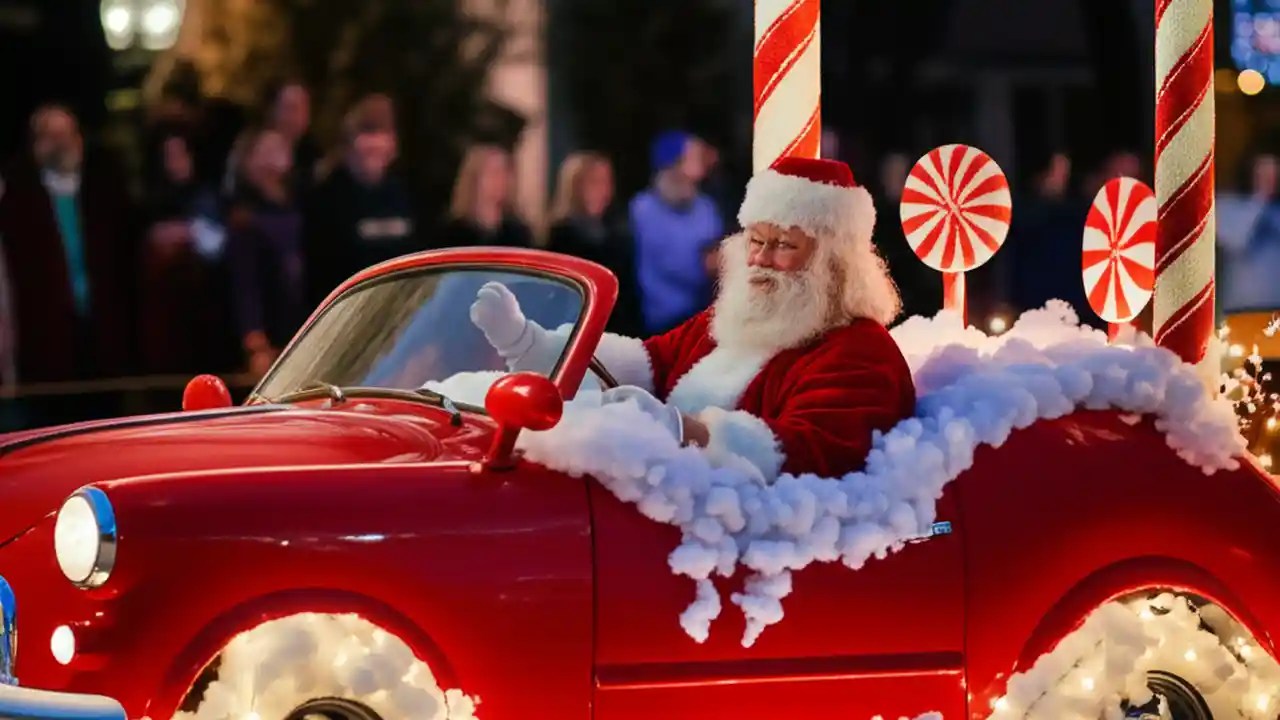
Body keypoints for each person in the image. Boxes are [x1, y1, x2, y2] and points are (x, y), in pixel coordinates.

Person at [471, 157, 916, 482]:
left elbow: (812, 454)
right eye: (755, 241)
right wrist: (536, 345)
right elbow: (650, 361)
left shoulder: (860, 352)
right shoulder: (730, 320)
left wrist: (684, 433)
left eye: (782, 245)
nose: (760, 259)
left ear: (833, 262)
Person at [303, 96, 418, 307]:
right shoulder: (326, 197)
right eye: (367, 134)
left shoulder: (400, 194)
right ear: (349, 143)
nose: (375, 143)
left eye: (382, 134)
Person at [224, 128, 306, 378]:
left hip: (299, 328)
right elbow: (244, 283)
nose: (273, 159)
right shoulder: (243, 218)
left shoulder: (297, 207)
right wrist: (255, 341)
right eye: (265, 151)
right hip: (267, 337)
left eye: (278, 149)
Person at [630, 130, 723, 334]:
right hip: (660, 323)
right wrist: (707, 267)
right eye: (691, 160)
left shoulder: (706, 207)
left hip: (704, 319)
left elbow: (717, 249)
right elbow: (670, 262)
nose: (696, 173)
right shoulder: (642, 209)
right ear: (671, 165)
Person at [546, 151, 644, 336]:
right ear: (575, 187)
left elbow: (629, 299)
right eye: (594, 182)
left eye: (607, 182)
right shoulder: (560, 238)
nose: (603, 190)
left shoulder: (617, 236)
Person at [438, 144, 533, 249]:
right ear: (475, 179)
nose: (502, 179)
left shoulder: (518, 235)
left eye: (505, 171)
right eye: (494, 172)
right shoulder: (452, 235)